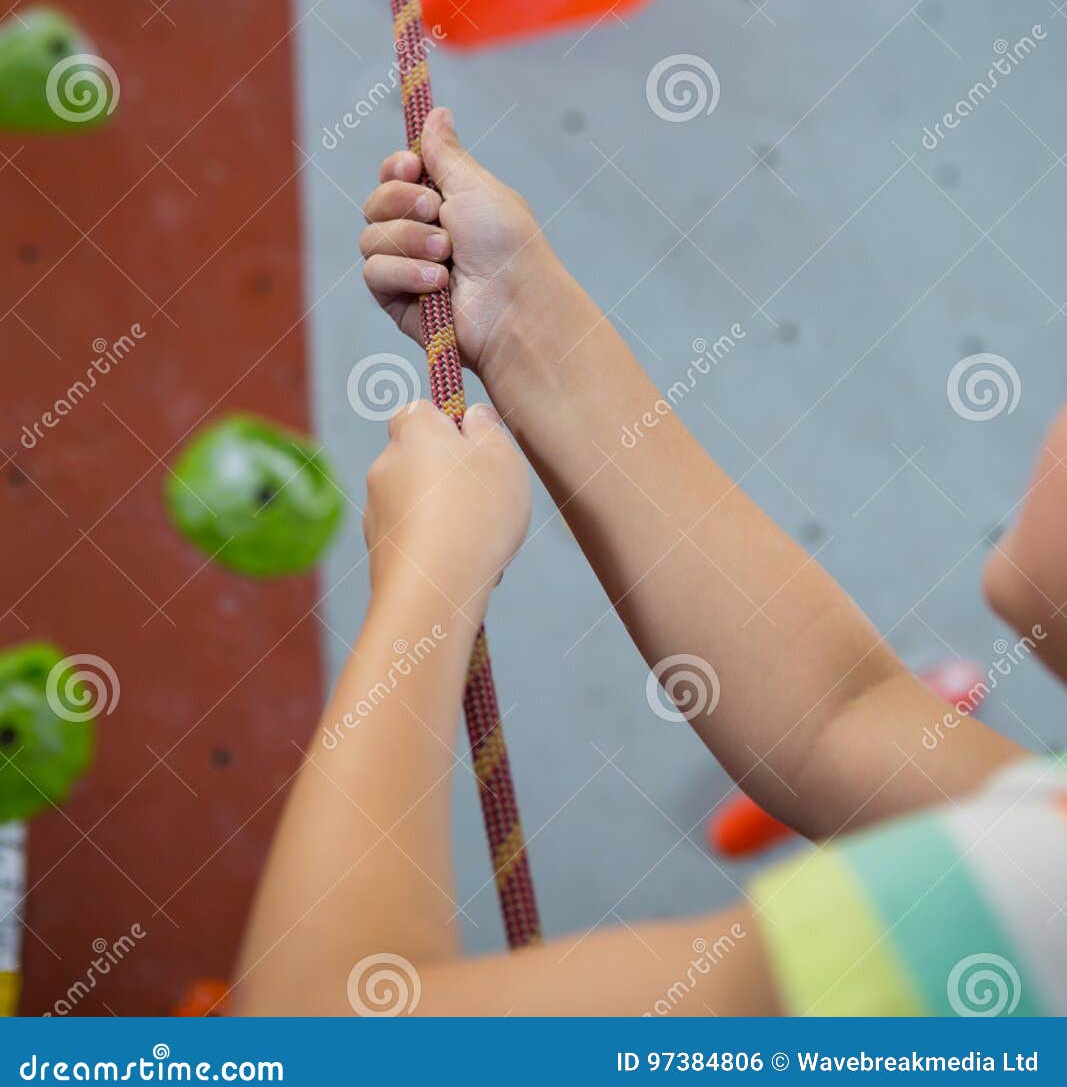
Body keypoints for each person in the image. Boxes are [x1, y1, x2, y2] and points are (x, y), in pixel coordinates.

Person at [232, 110, 1067, 1017]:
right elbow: (840, 721)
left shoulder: (1027, 911)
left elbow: (321, 1039)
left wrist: (425, 584)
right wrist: (516, 315)